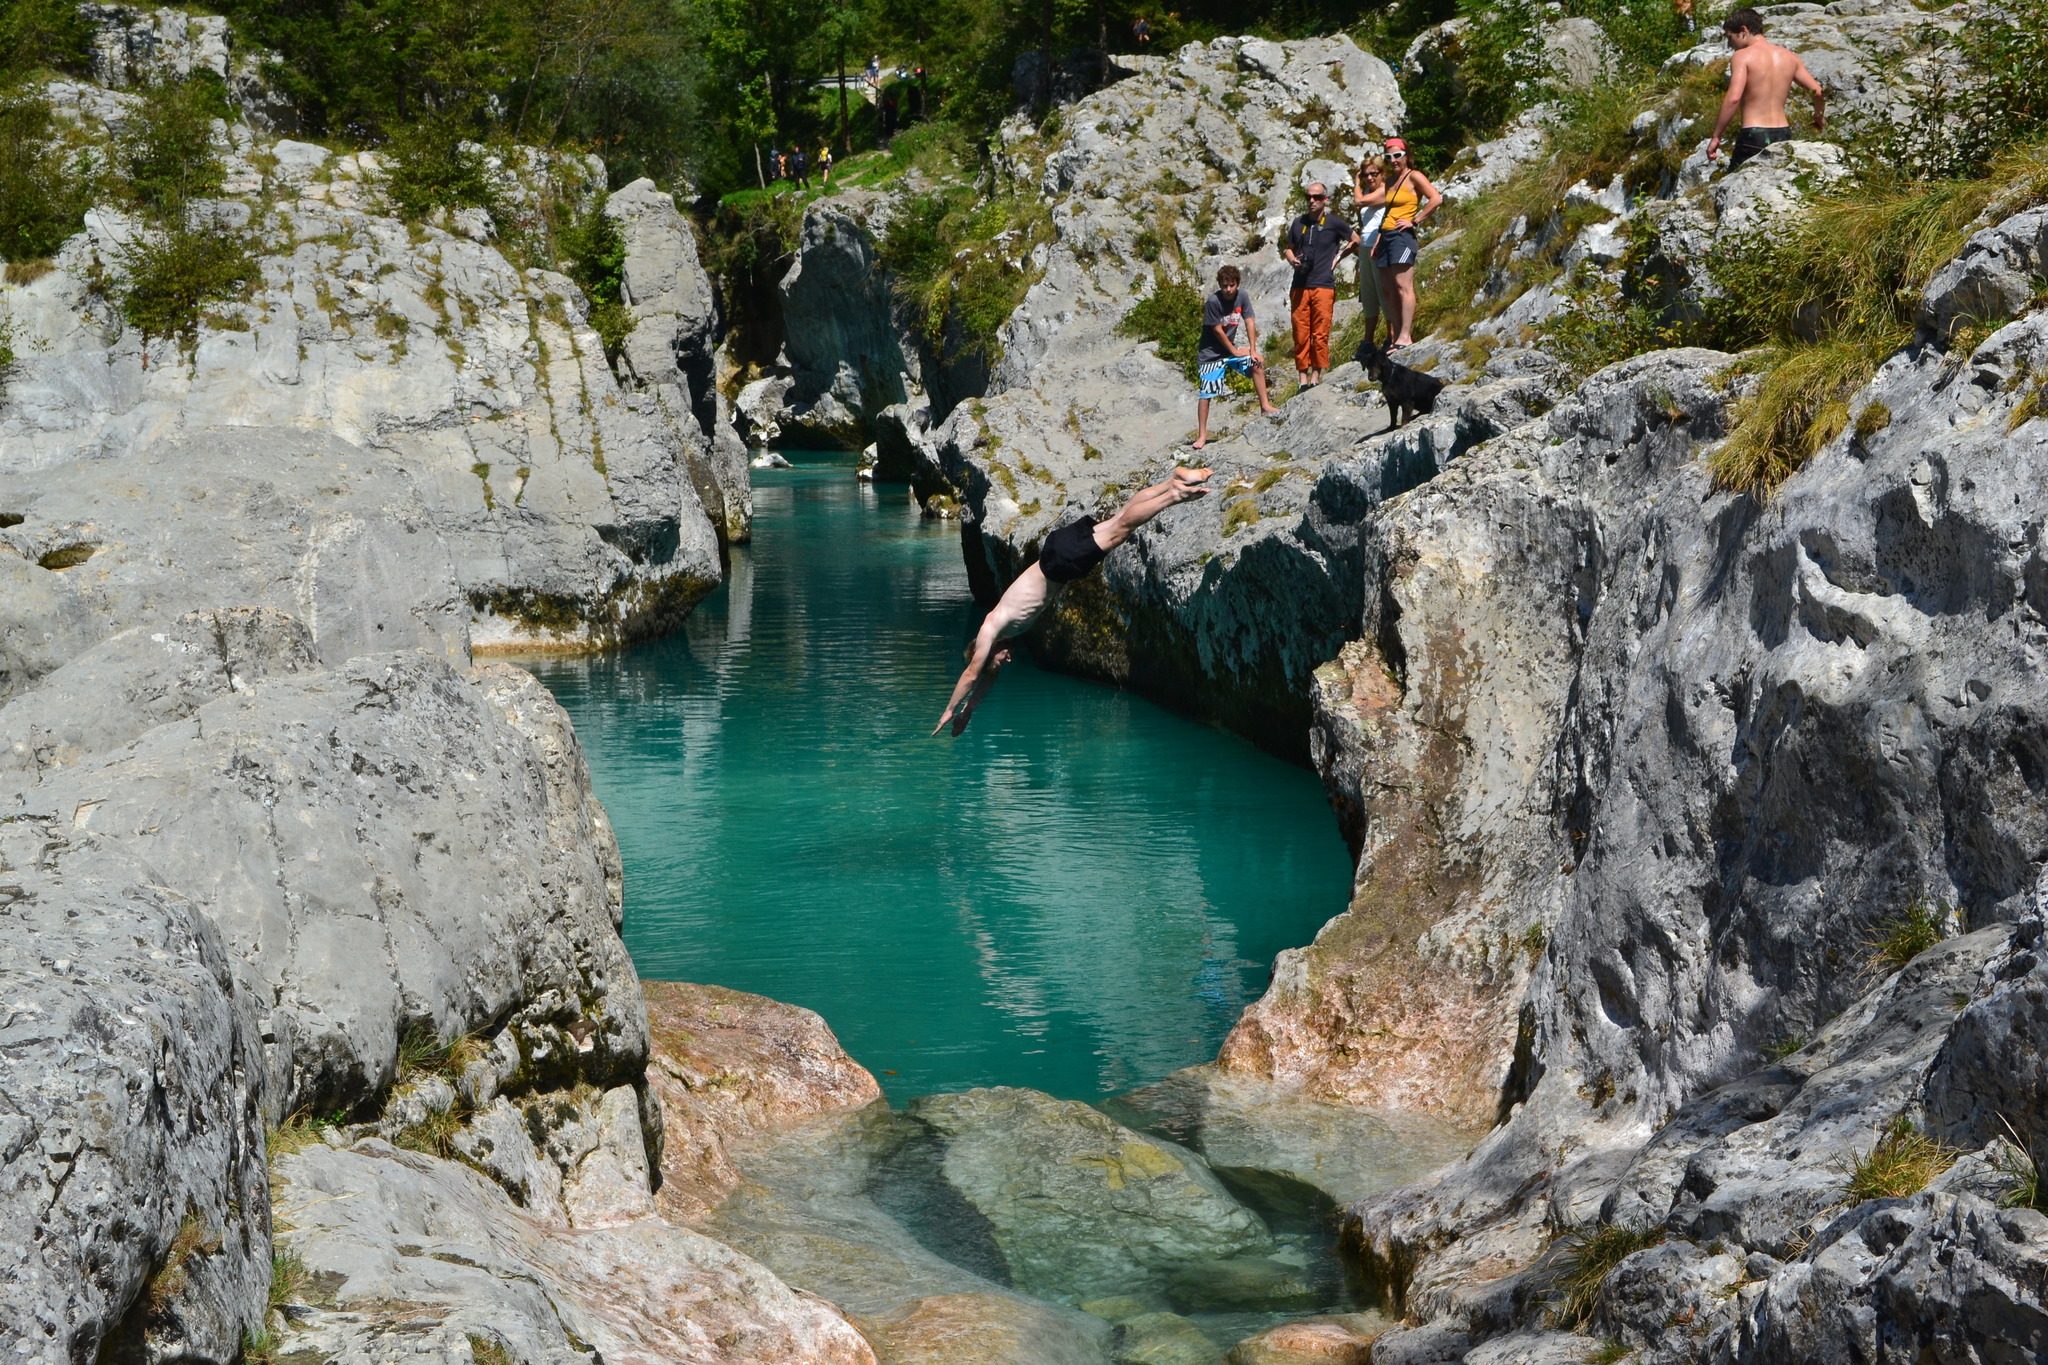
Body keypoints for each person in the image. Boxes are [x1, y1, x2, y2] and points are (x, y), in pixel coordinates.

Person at [933, 469, 1213, 735]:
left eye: (999, 660)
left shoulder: (990, 628)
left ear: (984, 652)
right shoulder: (1003, 633)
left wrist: (949, 710)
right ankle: (1172, 480)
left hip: (1060, 564)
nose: (1008, 658)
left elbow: (972, 675)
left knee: (1121, 530)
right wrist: (968, 711)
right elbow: (987, 680)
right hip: (1055, 553)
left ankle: (1173, 494)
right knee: (1118, 520)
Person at [1707, 7, 1825, 169]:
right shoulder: (1789, 56)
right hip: (1783, 133)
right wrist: (1818, 117)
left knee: (1739, 183)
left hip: (1753, 135)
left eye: (1730, 37)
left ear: (1743, 30)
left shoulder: (1742, 56)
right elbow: (1817, 92)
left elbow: (1734, 98)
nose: (1730, 45)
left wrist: (1716, 136)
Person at [1355, 137, 1441, 350]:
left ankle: (1405, 336)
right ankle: (1394, 338)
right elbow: (1387, 211)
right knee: (1387, 290)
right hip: (1385, 236)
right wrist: (1377, 239)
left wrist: (1415, 220)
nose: (1393, 160)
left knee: (1403, 286)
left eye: (1397, 156)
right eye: (1389, 157)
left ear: (1406, 156)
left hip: (1402, 236)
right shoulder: (1390, 181)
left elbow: (1436, 198)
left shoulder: (1414, 177)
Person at [1282, 182, 1358, 390]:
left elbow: (1355, 240)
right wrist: (1292, 260)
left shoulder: (1334, 223)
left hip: (1323, 284)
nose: (1311, 201)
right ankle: (1302, 380)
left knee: (1320, 333)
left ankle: (1316, 376)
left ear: (1325, 199)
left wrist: (1338, 258)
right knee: (1300, 333)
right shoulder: (1299, 223)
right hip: (1300, 285)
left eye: (1316, 197)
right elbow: (1288, 249)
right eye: (1308, 197)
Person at [1194, 265, 1280, 450]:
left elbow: (1249, 321)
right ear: (1220, 285)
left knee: (1256, 363)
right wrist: (1233, 350)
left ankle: (1265, 406)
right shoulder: (1213, 302)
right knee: (1206, 393)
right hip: (1210, 354)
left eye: (1232, 285)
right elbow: (1217, 329)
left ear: (1237, 284)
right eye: (1225, 285)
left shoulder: (1243, 297)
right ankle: (1202, 435)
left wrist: (1252, 350)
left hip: (1230, 350)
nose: (1228, 289)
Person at [1350, 157, 1392, 350]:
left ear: (1382, 174)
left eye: (1373, 174)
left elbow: (1358, 201)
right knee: (1368, 294)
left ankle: (1391, 336)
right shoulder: (1368, 191)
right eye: (1365, 174)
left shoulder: (1386, 190)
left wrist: (1356, 181)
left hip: (1379, 243)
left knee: (1384, 291)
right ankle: (1368, 340)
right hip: (1366, 246)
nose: (1369, 178)